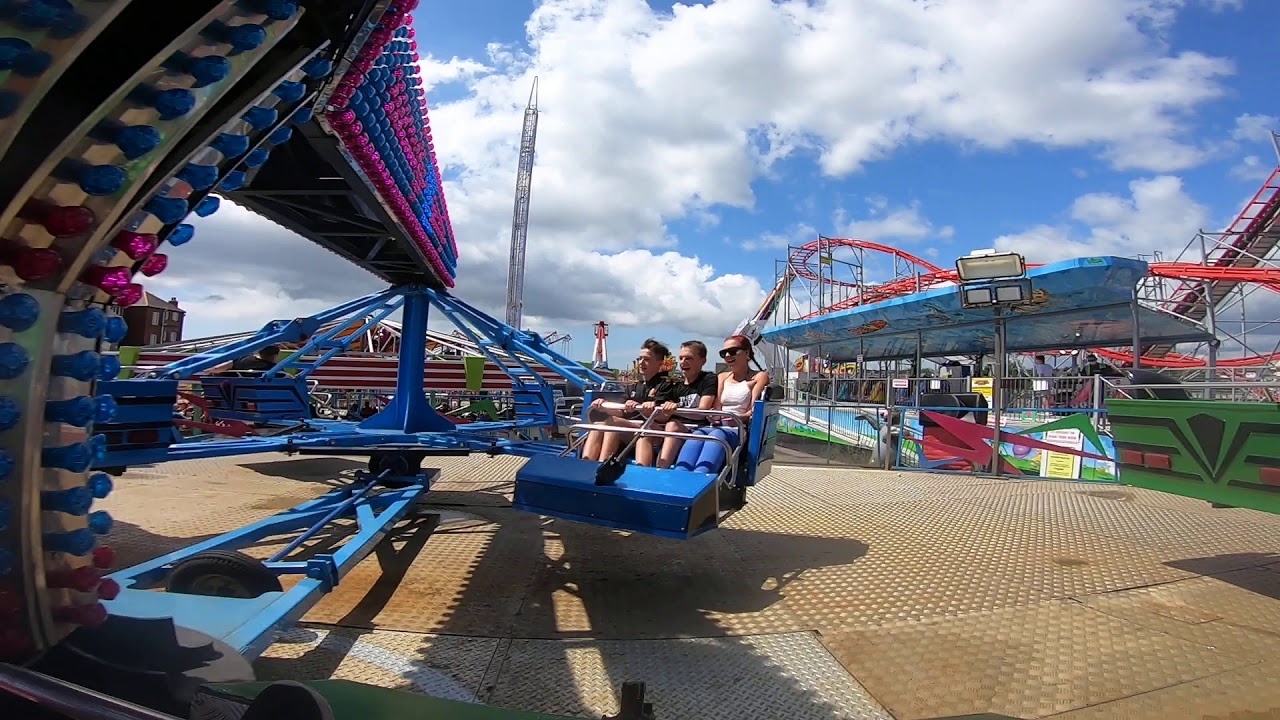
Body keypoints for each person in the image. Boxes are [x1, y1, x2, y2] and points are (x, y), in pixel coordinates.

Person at [673, 335, 770, 474]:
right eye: (724, 353)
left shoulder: (759, 377)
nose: (728, 356)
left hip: (738, 428)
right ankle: (680, 475)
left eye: (733, 351)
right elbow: (717, 406)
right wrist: (714, 416)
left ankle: (702, 476)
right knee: (698, 435)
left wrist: (738, 417)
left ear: (746, 352)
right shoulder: (722, 377)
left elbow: (753, 410)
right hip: (718, 426)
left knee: (718, 435)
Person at [580, 339, 675, 466]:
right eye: (640, 359)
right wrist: (604, 406)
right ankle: (586, 463)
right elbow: (620, 411)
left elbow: (663, 416)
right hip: (631, 429)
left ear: (659, 363)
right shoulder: (633, 387)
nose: (641, 362)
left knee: (613, 422)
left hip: (653, 432)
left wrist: (640, 408)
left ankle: (603, 465)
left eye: (646, 359)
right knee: (598, 425)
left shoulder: (665, 386)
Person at [655, 340, 719, 468]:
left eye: (689, 358)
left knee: (672, 425)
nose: (683, 362)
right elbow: (662, 417)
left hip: (698, 429)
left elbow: (702, 412)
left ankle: (661, 469)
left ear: (703, 361)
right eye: (681, 358)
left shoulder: (708, 379)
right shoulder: (674, 385)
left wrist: (676, 410)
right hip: (674, 430)